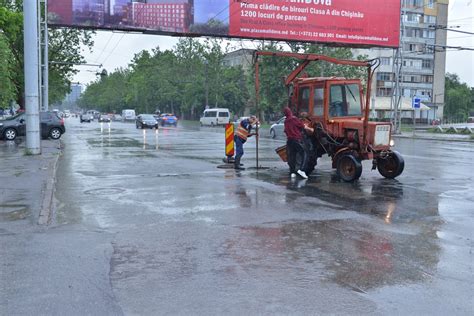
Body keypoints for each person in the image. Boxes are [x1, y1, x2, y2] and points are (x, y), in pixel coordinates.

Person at [283, 107, 313, 179]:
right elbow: (302, 126)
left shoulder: (286, 121)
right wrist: (311, 129)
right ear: (290, 112)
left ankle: (292, 172)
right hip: (296, 139)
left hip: (289, 141)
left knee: (292, 156)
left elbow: (285, 131)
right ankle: (302, 170)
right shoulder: (294, 119)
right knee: (305, 153)